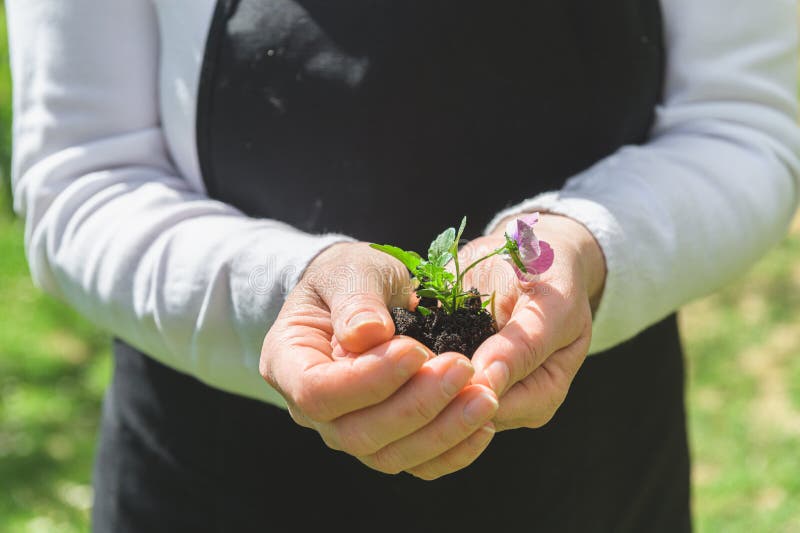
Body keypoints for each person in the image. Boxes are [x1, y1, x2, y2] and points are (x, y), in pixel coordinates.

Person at [7, 0, 799, 531]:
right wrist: (281, 293)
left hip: (588, 468)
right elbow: (83, 171)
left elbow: (741, 123)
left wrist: (576, 245)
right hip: (213, 477)